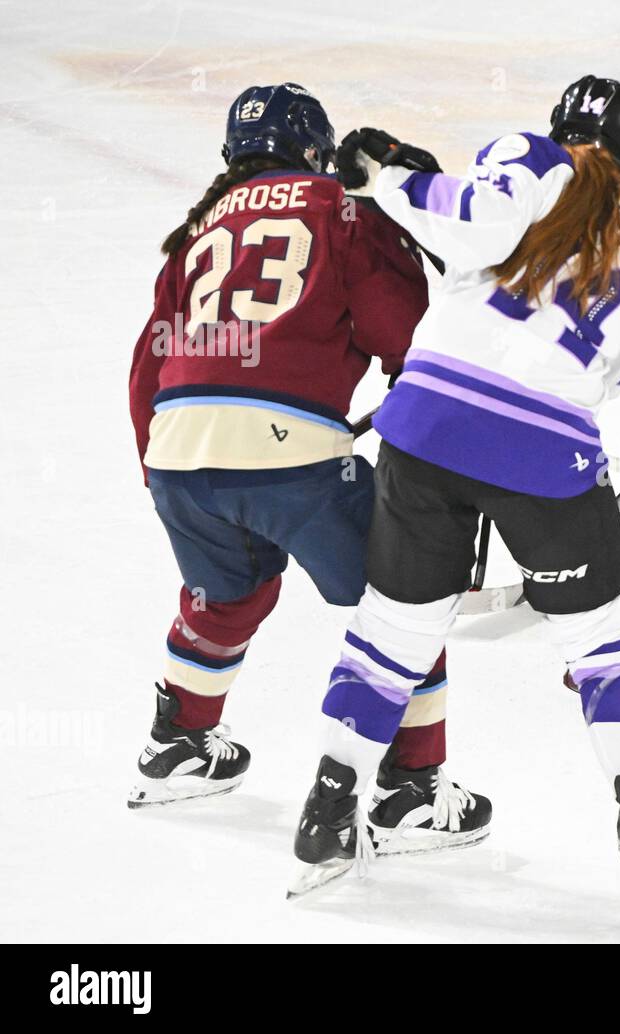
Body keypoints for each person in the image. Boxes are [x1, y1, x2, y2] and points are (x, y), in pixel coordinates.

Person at [289, 77, 620, 906]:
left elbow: (473, 222)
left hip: (428, 421)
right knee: (607, 641)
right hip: (547, 449)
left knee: (394, 629)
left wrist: (385, 178)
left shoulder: (534, 156)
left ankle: (328, 806)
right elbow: (609, 378)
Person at [127, 84, 488, 845]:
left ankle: (177, 743)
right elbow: (407, 339)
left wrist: (167, 470)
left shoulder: (198, 227)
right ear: (317, 151)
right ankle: (413, 790)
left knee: (227, 592)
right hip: (290, 462)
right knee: (406, 604)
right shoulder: (342, 207)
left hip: (177, 454)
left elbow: (148, 363)